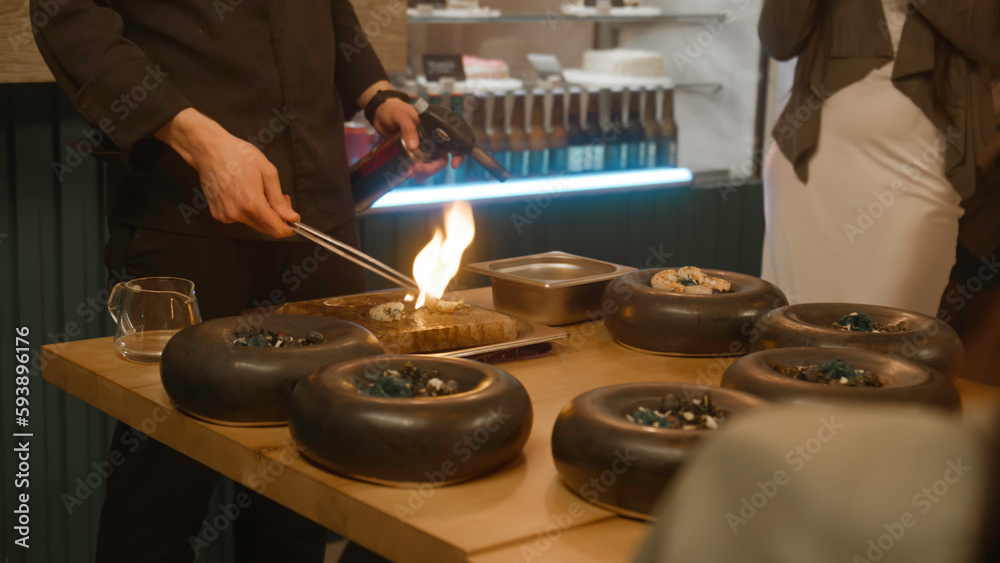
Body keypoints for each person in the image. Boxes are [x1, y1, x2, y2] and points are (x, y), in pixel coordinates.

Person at [31, 1, 451, 561]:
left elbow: (332, 11)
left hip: (318, 213)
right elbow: (67, 16)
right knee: (161, 486)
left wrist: (377, 94)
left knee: (303, 483)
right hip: (184, 218)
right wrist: (202, 144)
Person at [758, 0, 1000, 316]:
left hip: (920, 173)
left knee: (887, 344)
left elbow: (986, 35)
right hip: (810, 164)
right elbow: (778, 38)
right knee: (791, 340)